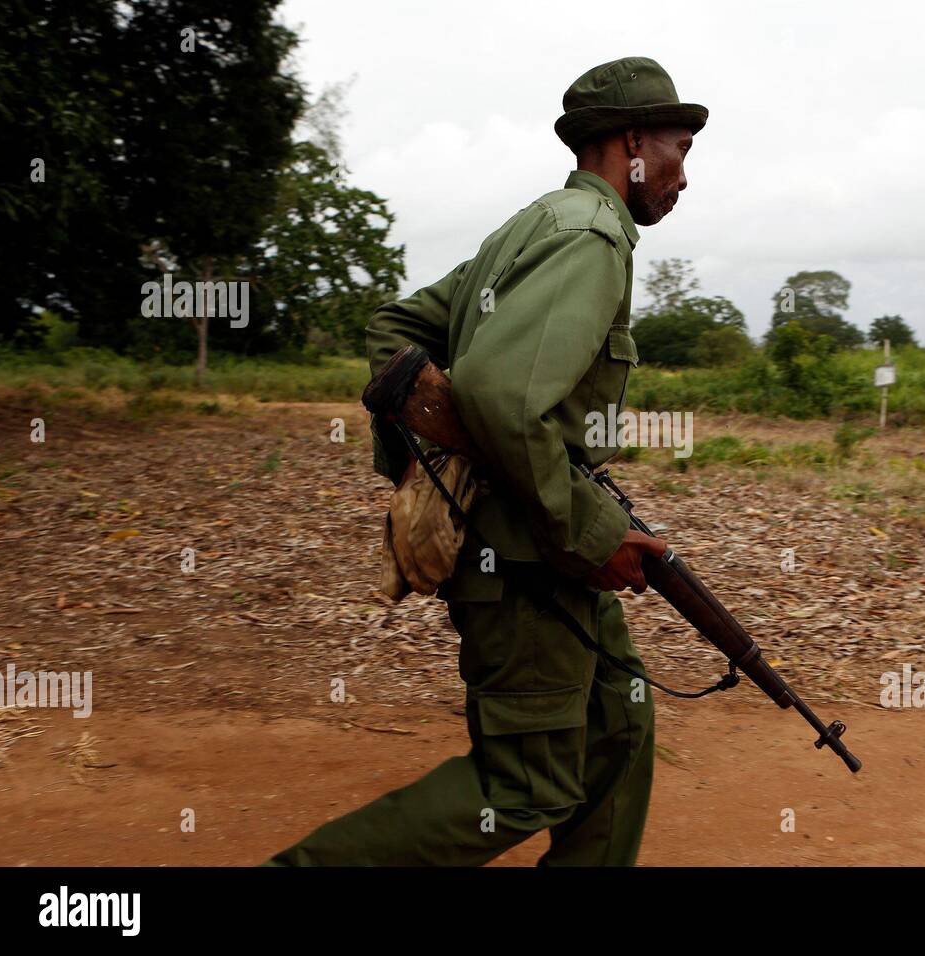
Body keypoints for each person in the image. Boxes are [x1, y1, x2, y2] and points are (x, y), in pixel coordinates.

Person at [264, 56, 707, 866]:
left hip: (550, 547)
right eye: (681, 149)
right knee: (524, 787)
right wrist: (581, 527)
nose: (685, 176)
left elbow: (396, 328)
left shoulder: (532, 226)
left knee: (621, 724)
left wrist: (437, 457)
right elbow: (502, 399)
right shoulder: (592, 236)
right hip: (534, 552)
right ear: (635, 143)